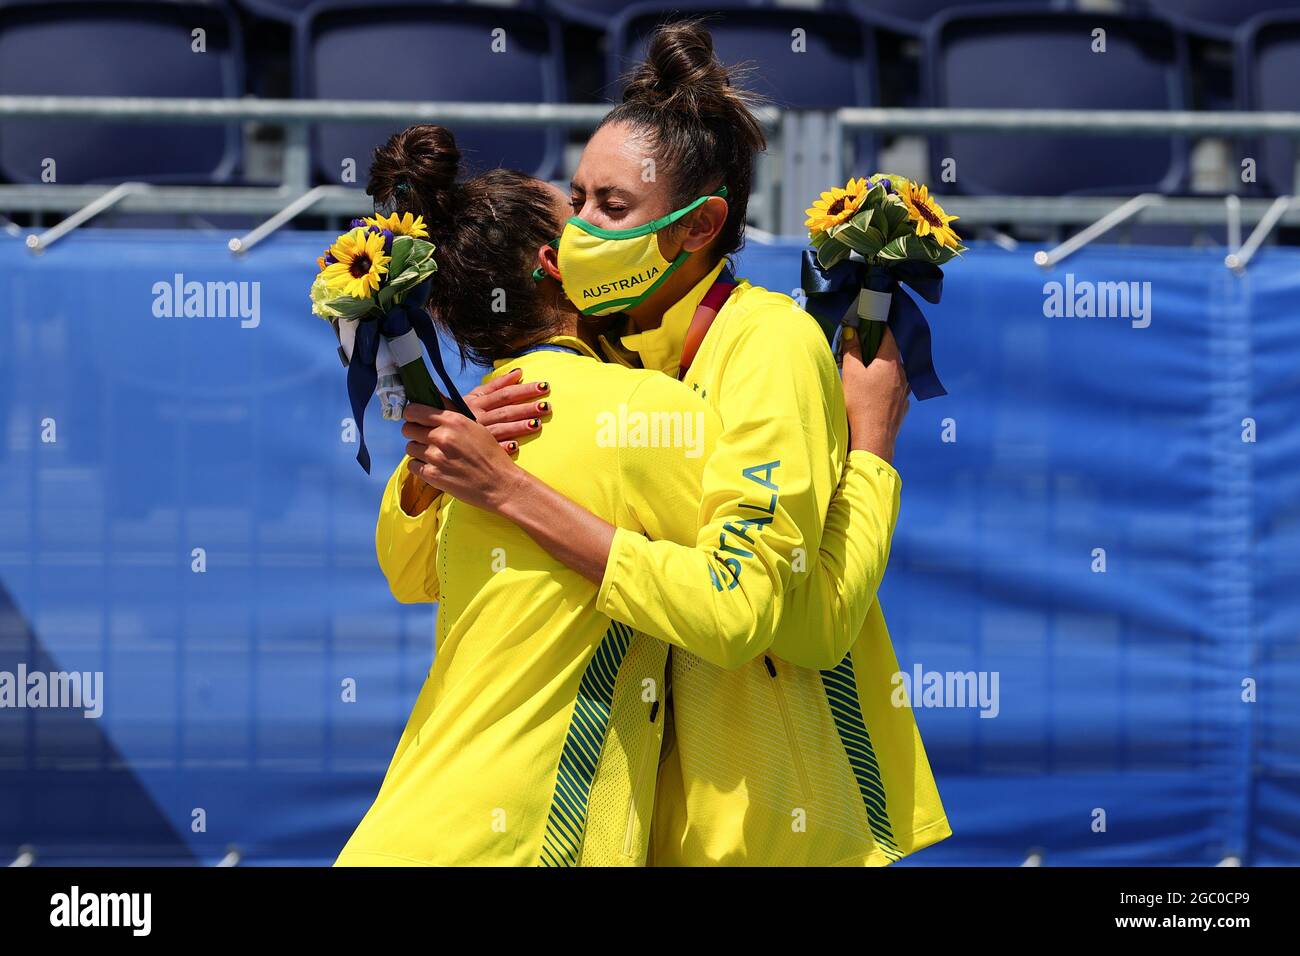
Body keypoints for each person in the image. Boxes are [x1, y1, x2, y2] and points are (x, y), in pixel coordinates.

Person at [406, 21, 950, 865]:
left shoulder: (769, 345)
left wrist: (872, 453)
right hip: (646, 829)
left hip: (775, 825)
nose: (576, 231)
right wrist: (438, 458)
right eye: (579, 199)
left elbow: (790, 623)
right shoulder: (605, 356)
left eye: (611, 207)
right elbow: (416, 572)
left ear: (699, 228)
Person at [334, 126, 723, 866]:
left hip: (408, 831)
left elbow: (407, 573)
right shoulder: (645, 413)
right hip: (523, 839)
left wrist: (428, 463)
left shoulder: (479, 423)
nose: (603, 227)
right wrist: (868, 447)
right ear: (555, 264)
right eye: (583, 215)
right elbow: (747, 600)